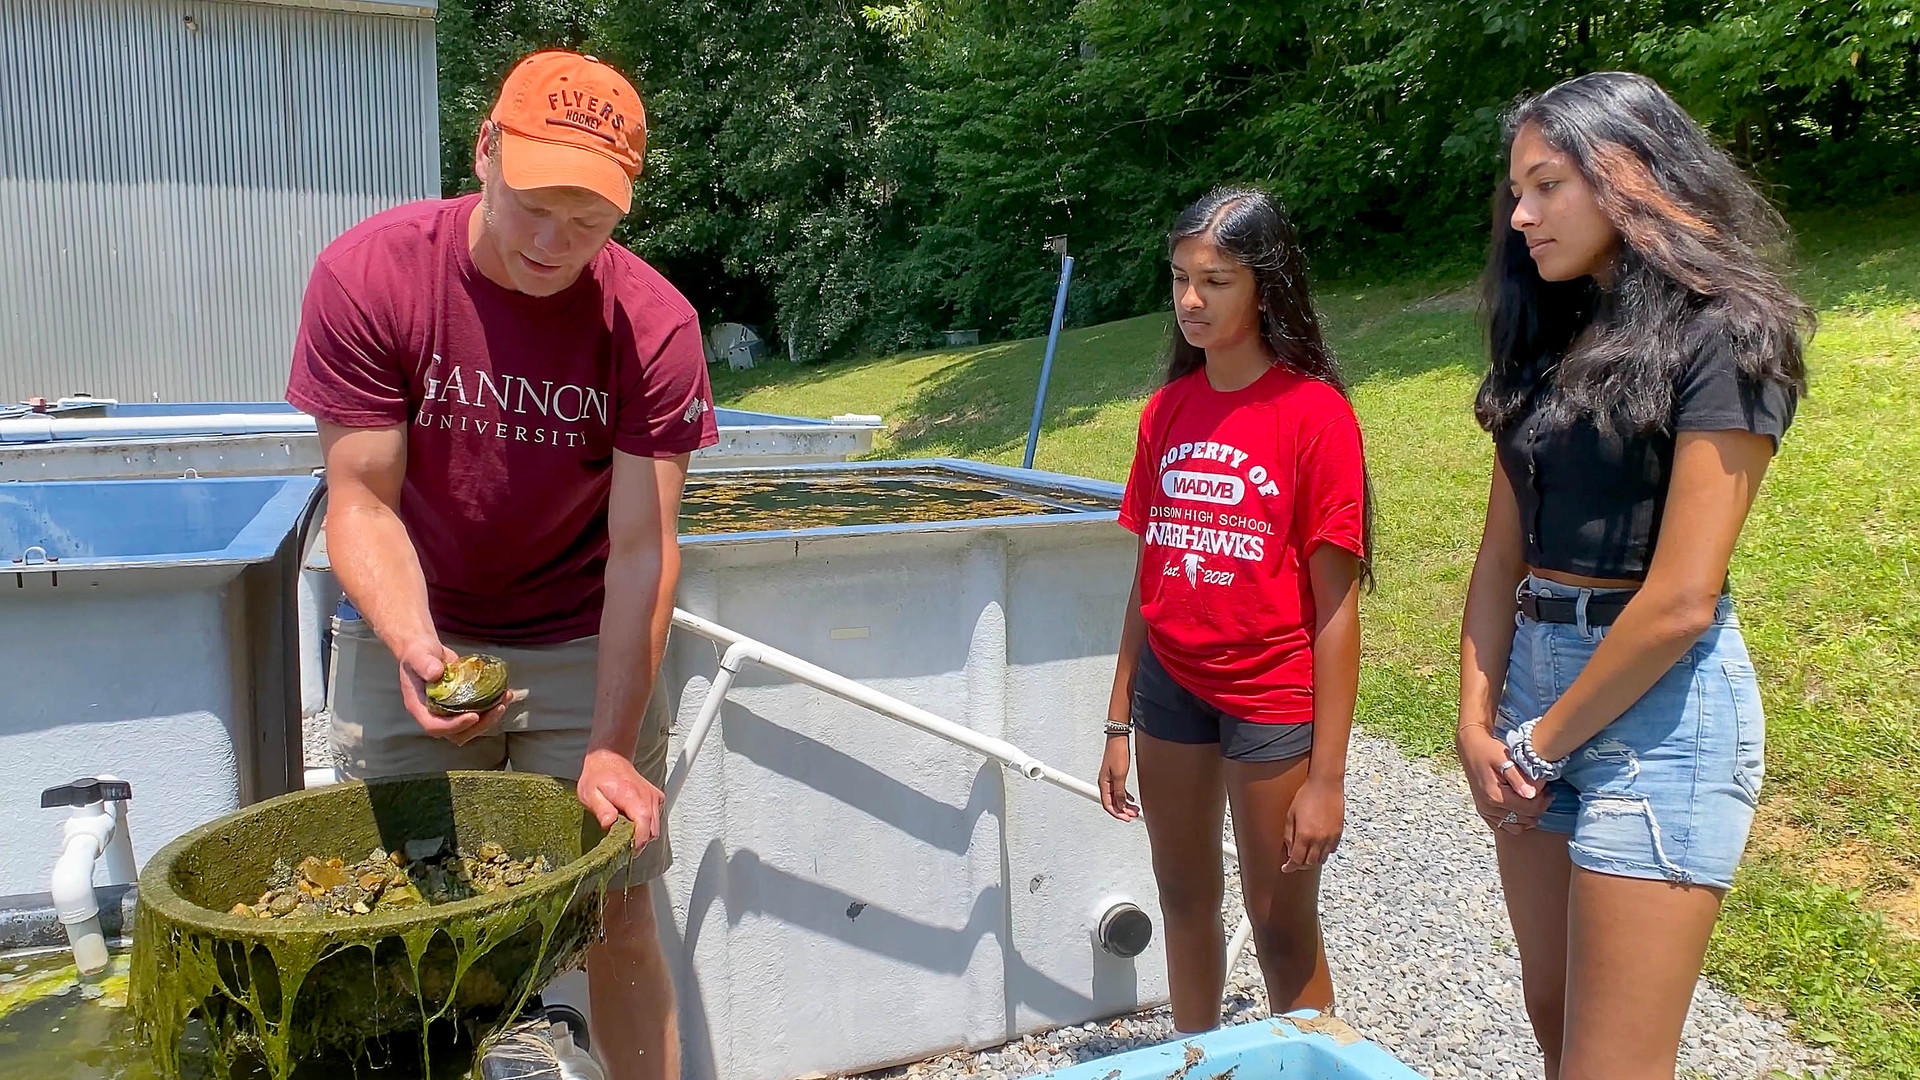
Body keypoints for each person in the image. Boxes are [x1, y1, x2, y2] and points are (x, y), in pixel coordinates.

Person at [285, 49, 717, 1080]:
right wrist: (413, 646)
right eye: (531, 206)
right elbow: (360, 504)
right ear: (485, 150)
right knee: (405, 909)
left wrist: (610, 745)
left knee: (615, 908)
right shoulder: (371, 275)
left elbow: (643, 551)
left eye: (587, 222)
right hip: (417, 620)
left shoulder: (654, 324)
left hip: (582, 634)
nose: (550, 244)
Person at [1454, 71, 1812, 1080]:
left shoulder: (1727, 333)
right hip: (1533, 683)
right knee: (1553, 1019)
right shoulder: (1547, 331)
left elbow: (1684, 600)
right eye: (1516, 191)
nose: (1520, 216)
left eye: (1547, 185)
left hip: (1662, 713)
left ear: (1632, 172)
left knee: (1609, 1064)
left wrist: (1538, 742)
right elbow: (1500, 553)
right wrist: (1476, 719)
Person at [1096, 187, 1371, 1032]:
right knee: (1183, 899)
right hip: (1170, 691)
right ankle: (1198, 1057)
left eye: (1215, 281)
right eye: (1180, 278)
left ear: (1265, 286)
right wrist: (1117, 718)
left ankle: (1311, 1058)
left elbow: (1336, 609)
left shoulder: (1314, 415)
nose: (1191, 299)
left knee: (1280, 923)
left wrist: (1327, 778)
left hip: (1270, 695)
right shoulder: (1165, 412)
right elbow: (1150, 574)